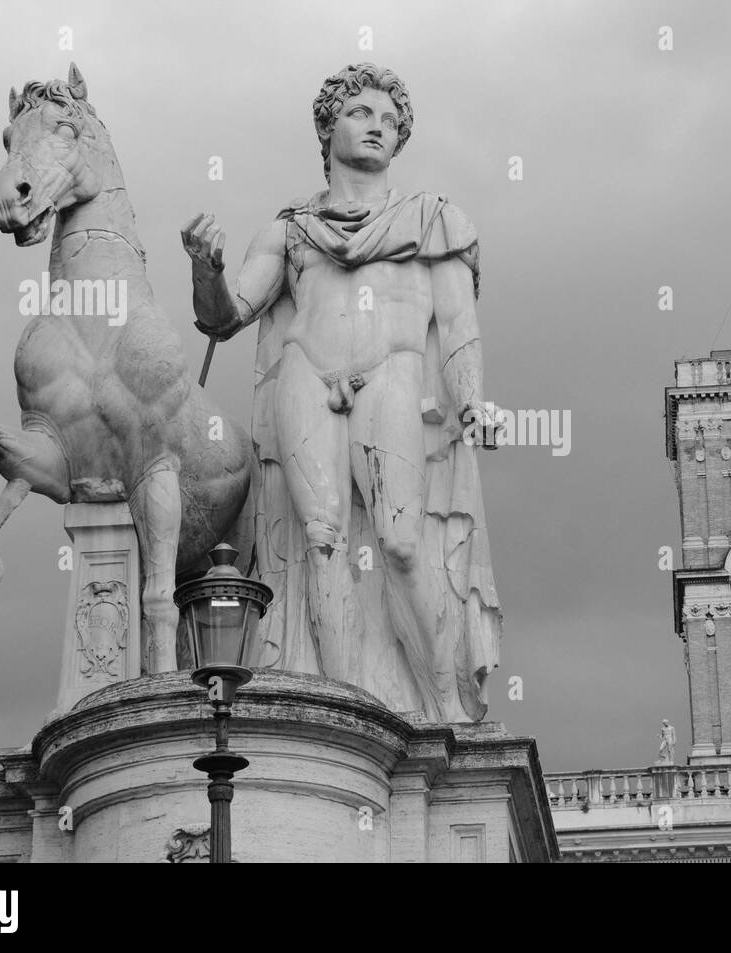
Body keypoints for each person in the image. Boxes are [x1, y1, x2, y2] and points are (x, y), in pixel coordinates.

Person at [183, 64, 501, 722]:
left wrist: (473, 400)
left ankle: (445, 706)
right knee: (322, 539)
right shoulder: (291, 228)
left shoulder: (433, 220)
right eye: (362, 113)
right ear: (328, 127)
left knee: (402, 542)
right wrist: (203, 268)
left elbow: (460, 326)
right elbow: (225, 315)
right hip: (306, 371)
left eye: (390, 120)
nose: (379, 126)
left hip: (394, 372)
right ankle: (350, 713)